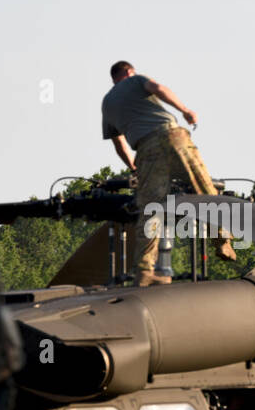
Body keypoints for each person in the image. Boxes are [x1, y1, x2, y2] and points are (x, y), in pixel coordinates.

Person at [101, 61, 237, 286]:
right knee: (204, 189)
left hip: (145, 149)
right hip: (172, 136)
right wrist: (185, 111)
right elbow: (160, 89)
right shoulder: (135, 80)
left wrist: (134, 167)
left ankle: (144, 270)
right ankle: (222, 240)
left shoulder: (107, 103)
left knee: (150, 210)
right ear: (127, 72)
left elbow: (118, 143)